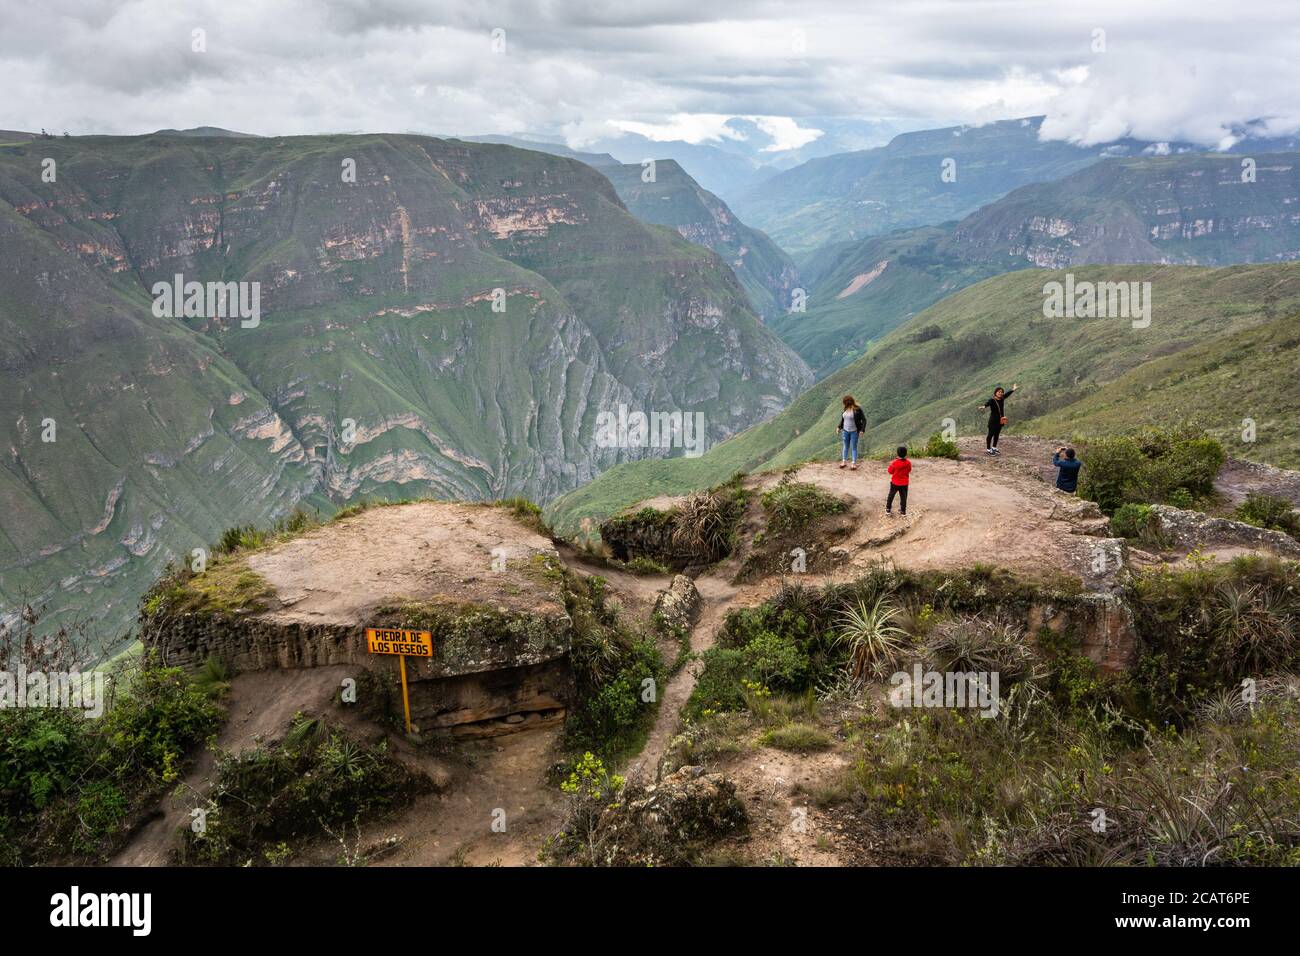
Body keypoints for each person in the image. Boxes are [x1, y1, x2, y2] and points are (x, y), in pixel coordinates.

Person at [978, 383, 1019, 455]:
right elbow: (987, 403)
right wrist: (983, 406)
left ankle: (994, 447)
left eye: (1001, 392)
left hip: (1000, 420)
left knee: (997, 434)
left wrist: (1013, 389)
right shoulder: (992, 400)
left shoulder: (1002, 398)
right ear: (995, 393)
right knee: (990, 434)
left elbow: (1007, 394)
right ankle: (988, 449)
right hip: (993, 421)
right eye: (999, 392)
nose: (1000, 393)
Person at [837, 395, 867, 470]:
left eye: (844, 402)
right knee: (846, 446)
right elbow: (843, 420)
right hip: (845, 431)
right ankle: (844, 461)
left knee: (854, 447)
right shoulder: (845, 409)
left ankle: (853, 463)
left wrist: (862, 430)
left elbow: (864, 420)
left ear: (847, 402)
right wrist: (839, 427)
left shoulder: (857, 410)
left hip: (854, 431)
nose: (844, 404)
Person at [886, 445, 911, 516]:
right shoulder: (908, 463)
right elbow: (909, 470)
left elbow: (890, 471)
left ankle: (888, 510)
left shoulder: (895, 463)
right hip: (904, 483)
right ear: (906, 454)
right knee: (903, 497)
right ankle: (903, 511)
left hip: (895, 483)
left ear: (897, 454)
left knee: (891, 495)